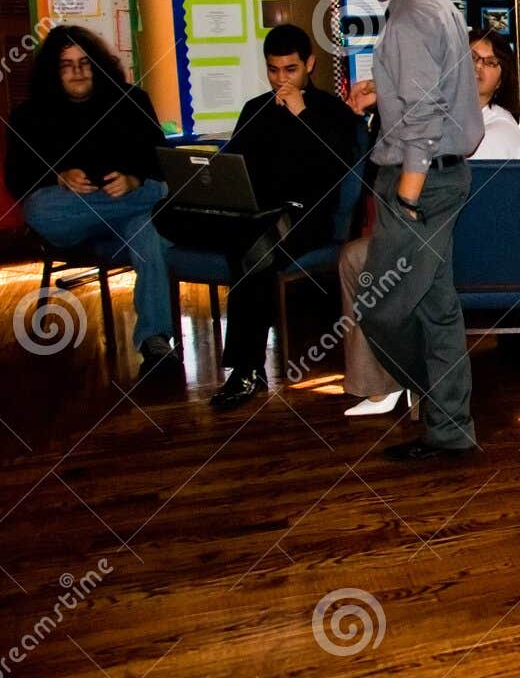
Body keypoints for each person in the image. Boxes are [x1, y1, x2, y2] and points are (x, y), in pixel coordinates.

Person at [344, 0, 484, 462]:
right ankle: (450, 430)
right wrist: (389, 95)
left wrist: (405, 196)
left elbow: (425, 119)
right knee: (436, 306)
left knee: (378, 305)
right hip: (444, 175)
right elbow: (438, 95)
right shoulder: (436, 4)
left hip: (419, 185)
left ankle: (431, 398)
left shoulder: (407, 16)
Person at [338, 26, 520, 416]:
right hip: (437, 238)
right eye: (471, 58)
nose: (478, 68)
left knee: (360, 259)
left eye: (490, 63)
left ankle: (390, 383)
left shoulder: (497, 130)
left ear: (502, 75)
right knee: (358, 257)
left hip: (471, 251)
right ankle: (382, 382)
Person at [198, 25, 361, 410]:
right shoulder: (255, 109)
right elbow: (233, 166)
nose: (281, 79)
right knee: (239, 235)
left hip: (308, 215)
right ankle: (246, 367)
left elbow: (336, 169)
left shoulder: (331, 112)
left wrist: (303, 116)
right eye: (273, 70)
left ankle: (245, 369)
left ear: (309, 65)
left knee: (252, 249)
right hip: (258, 211)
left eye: (290, 69)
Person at [5, 25, 175, 373]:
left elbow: (160, 159)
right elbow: (17, 179)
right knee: (40, 207)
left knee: (148, 229)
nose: (78, 72)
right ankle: (156, 198)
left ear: (97, 65)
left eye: (84, 63)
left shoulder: (131, 100)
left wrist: (133, 180)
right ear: (54, 71)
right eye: (67, 65)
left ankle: (155, 342)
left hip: (127, 221)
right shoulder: (30, 114)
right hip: (71, 221)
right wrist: (58, 176)